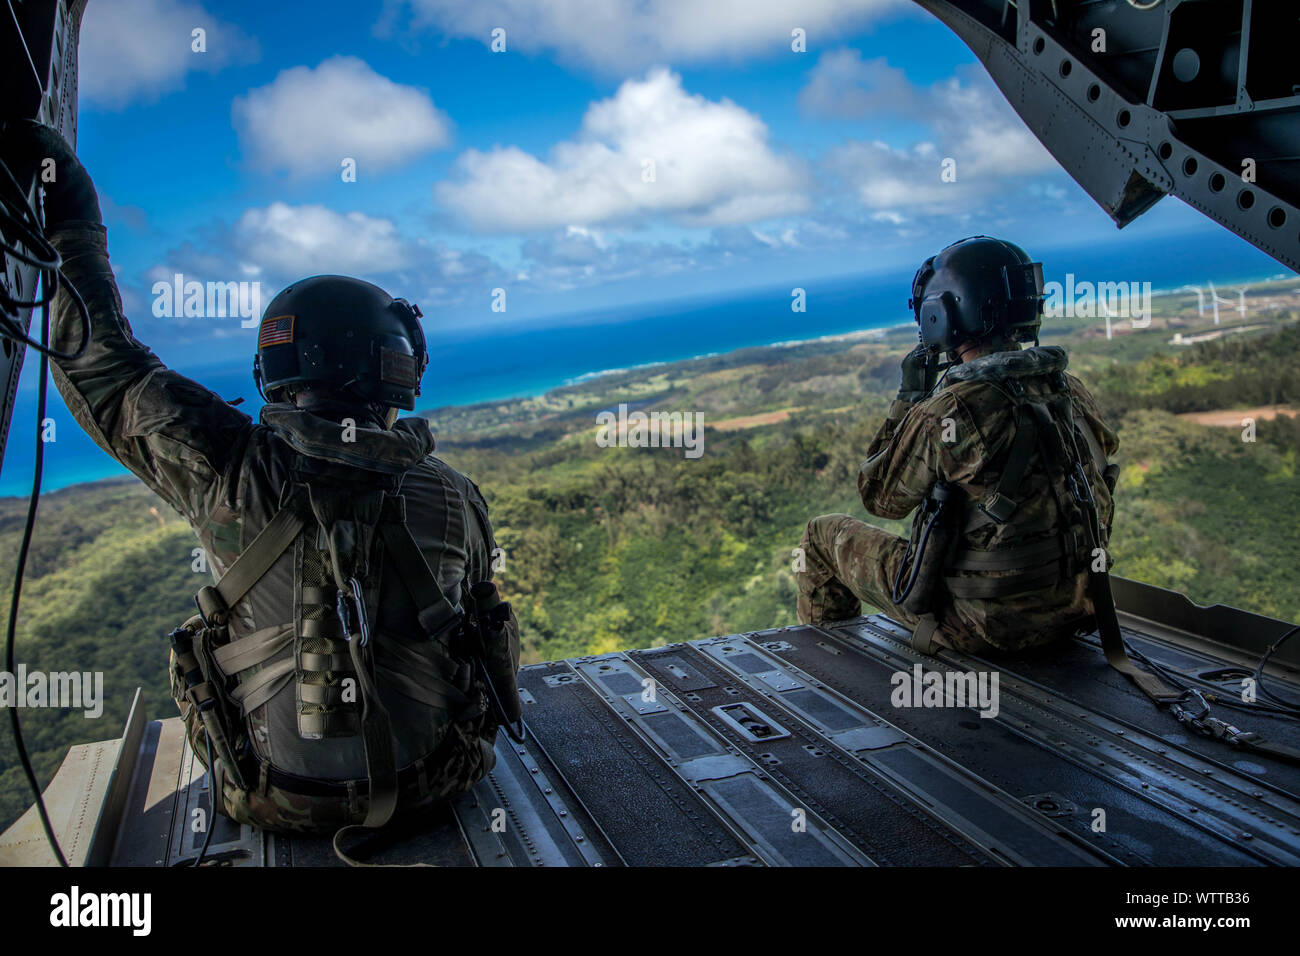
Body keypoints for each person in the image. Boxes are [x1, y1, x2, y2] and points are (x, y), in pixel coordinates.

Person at [4, 122, 520, 847]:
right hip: (435, 785)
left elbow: (102, 366)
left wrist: (71, 211)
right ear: (396, 369)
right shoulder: (453, 495)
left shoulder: (225, 468)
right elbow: (481, 642)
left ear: (274, 372)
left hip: (269, 799)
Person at [796, 236, 1120, 655]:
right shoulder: (1069, 391)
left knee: (821, 535)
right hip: (1079, 610)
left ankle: (831, 674)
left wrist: (909, 398)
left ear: (942, 315)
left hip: (988, 627)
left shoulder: (950, 409)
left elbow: (878, 497)